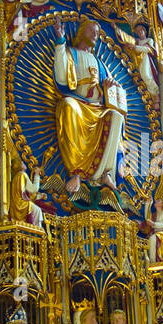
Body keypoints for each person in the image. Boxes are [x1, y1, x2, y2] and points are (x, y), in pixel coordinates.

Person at [52, 16, 126, 195]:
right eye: (91, 30)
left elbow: (114, 90)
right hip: (78, 102)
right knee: (68, 106)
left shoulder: (100, 63)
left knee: (116, 116)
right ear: (81, 32)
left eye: (98, 32)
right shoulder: (71, 53)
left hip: (98, 107)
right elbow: (62, 77)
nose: (95, 34)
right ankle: (76, 172)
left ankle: (106, 173)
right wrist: (61, 41)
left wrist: (109, 86)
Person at [141, 192, 163, 263]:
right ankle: (151, 260)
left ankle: (153, 261)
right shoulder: (154, 215)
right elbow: (147, 218)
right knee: (150, 239)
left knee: (153, 238)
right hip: (156, 234)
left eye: (158, 200)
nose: (156, 201)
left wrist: (154, 224)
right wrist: (148, 203)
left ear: (162, 203)